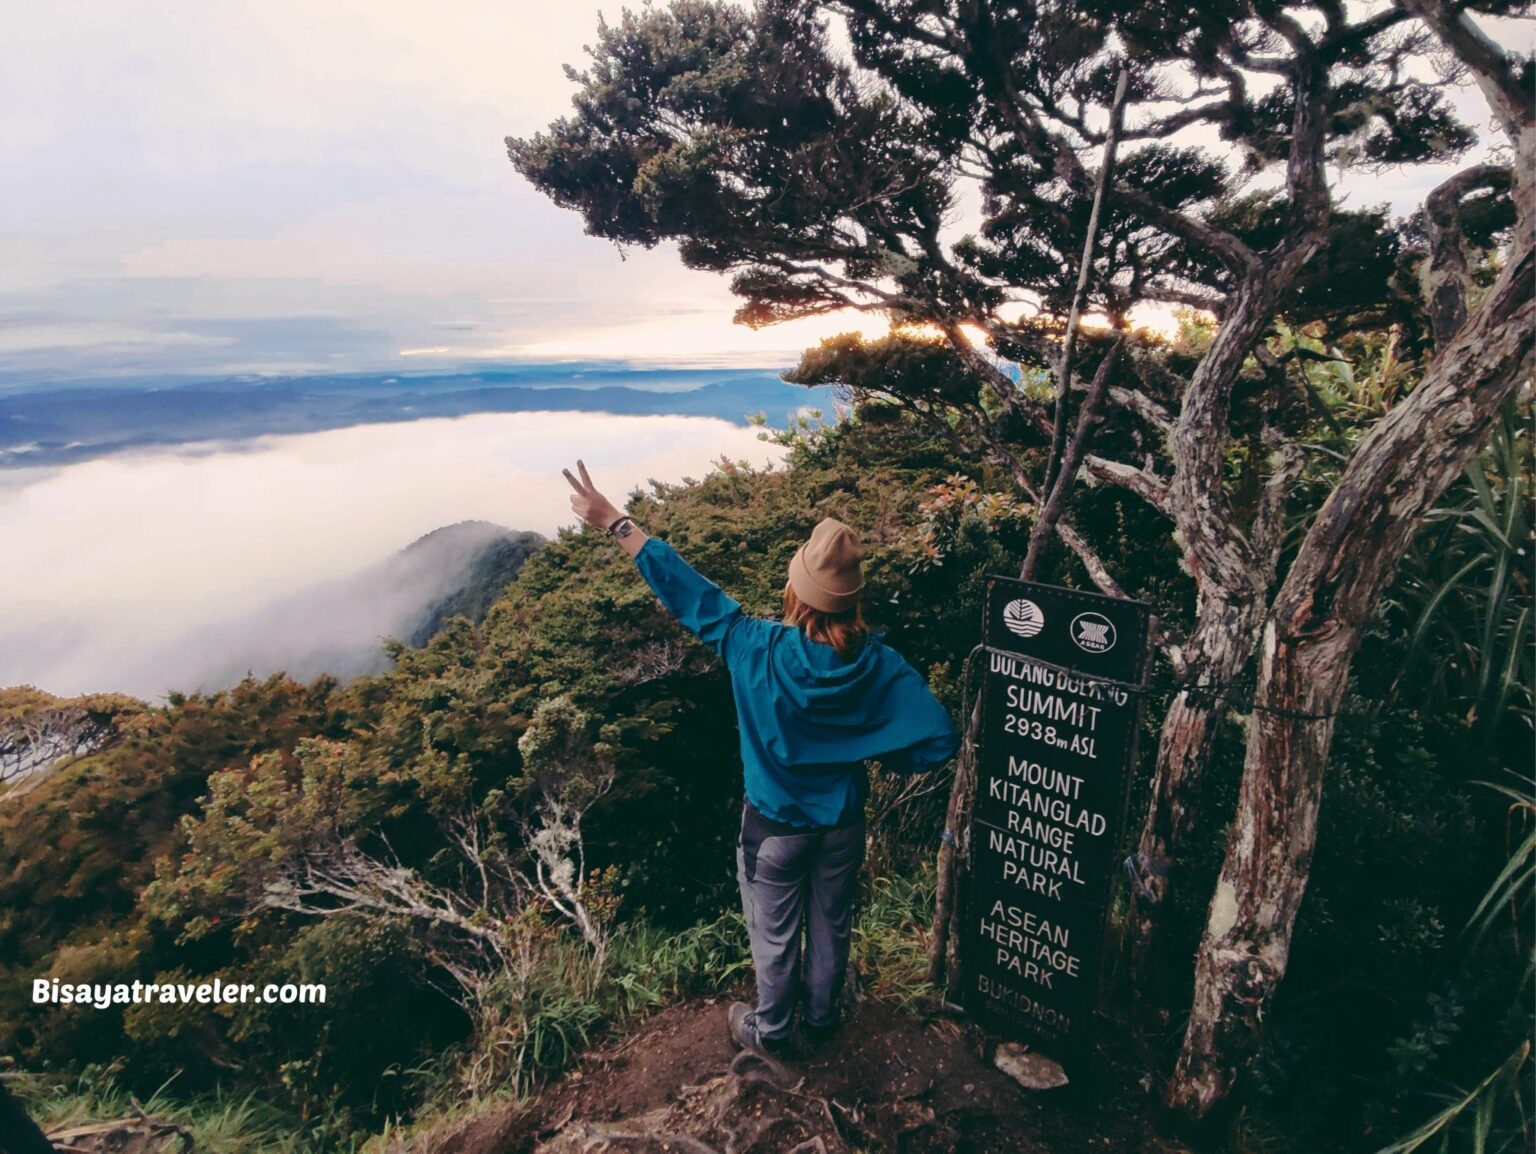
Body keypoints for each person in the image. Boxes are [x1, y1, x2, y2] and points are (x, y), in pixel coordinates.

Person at [561, 459, 960, 1057]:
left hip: (773, 827)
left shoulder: (755, 646)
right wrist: (863, 747)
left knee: (773, 939)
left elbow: (693, 598)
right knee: (831, 925)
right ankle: (823, 1018)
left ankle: (771, 1033)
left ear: (796, 591)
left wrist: (617, 522)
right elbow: (937, 742)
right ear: (850, 600)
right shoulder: (879, 666)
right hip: (843, 824)